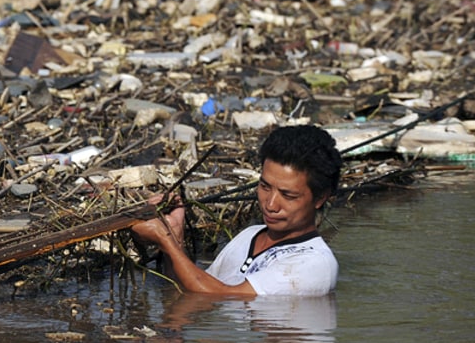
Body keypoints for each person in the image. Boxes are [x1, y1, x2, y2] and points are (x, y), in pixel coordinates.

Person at [132, 124, 343, 296]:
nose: (270, 205)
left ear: (320, 198)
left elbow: (220, 296)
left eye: (288, 195)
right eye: (265, 187)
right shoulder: (250, 235)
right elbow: (193, 287)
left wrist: (166, 242)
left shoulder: (315, 264)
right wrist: (174, 235)